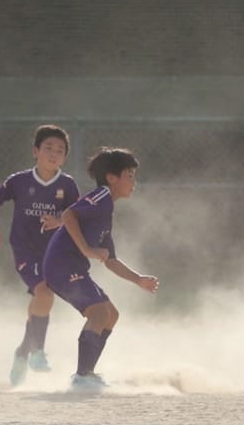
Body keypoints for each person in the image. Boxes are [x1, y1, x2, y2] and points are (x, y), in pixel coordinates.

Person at [42, 147, 159, 389]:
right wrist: (86, 250)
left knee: (111, 315)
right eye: (129, 175)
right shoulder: (101, 197)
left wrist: (138, 279)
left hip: (71, 268)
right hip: (61, 266)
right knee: (98, 313)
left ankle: (88, 374)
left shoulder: (106, 213)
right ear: (111, 178)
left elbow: (111, 260)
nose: (133, 181)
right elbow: (69, 214)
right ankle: (82, 377)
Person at [0, 125, 80, 386]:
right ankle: (37, 351)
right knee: (45, 294)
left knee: (41, 301)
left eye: (60, 150)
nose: (54, 153)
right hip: (25, 250)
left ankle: (21, 353)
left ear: (64, 157)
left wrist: (59, 221)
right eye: (48, 148)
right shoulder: (19, 180)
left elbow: (76, 217)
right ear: (35, 151)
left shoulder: (67, 184)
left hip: (54, 253)